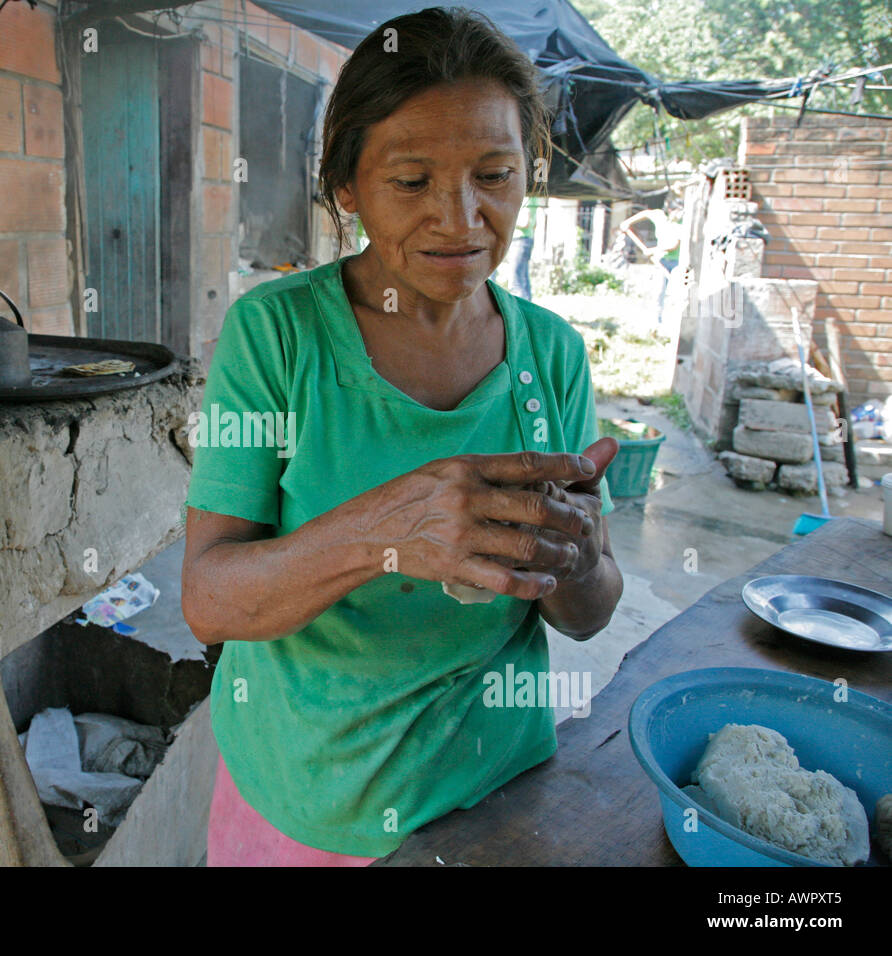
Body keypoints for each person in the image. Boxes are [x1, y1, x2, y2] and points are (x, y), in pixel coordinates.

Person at [180, 6, 623, 866]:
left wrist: (573, 560)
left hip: (498, 798)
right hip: (311, 804)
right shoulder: (278, 336)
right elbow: (209, 600)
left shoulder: (552, 355)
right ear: (347, 188)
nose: (460, 219)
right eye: (413, 182)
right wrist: (386, 532)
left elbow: (590, 616)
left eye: (494, 175)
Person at [620, 197, 683, 326]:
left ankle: (674, 323)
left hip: (677, 262)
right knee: (658, 292)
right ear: (670, 209)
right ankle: (656, 323)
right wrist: (627, 222)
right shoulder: (659, 216)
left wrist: (653, 250)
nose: (680, 214)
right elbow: (646, 213)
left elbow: (674, 244)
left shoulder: (681, 222)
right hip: (661, 261)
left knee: (676, 294)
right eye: (677, 211)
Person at [507, 194, 541, 299]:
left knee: (515, 282)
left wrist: (505, 221)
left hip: (519, 239)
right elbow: (534, 224)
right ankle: (527, 311)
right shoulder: (534, 196)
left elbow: (524, 222)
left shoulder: (526, 196)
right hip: (527, 238)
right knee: (524, 281)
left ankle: (518, 313)